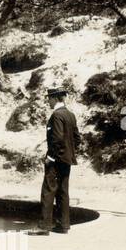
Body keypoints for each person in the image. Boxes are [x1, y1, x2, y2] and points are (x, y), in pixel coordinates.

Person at [39, 87, 79, 234]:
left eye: (49, 98)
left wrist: (50, 157)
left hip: (56, 160)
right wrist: (69, 153)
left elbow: (57, 139)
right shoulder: (70, 115)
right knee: (63, 191)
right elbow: (77, 138)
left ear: (55, 99)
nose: (48, 101)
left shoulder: (56, 116)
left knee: (48, 191)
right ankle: (63, 225)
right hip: (67, 159)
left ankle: (44, 226)